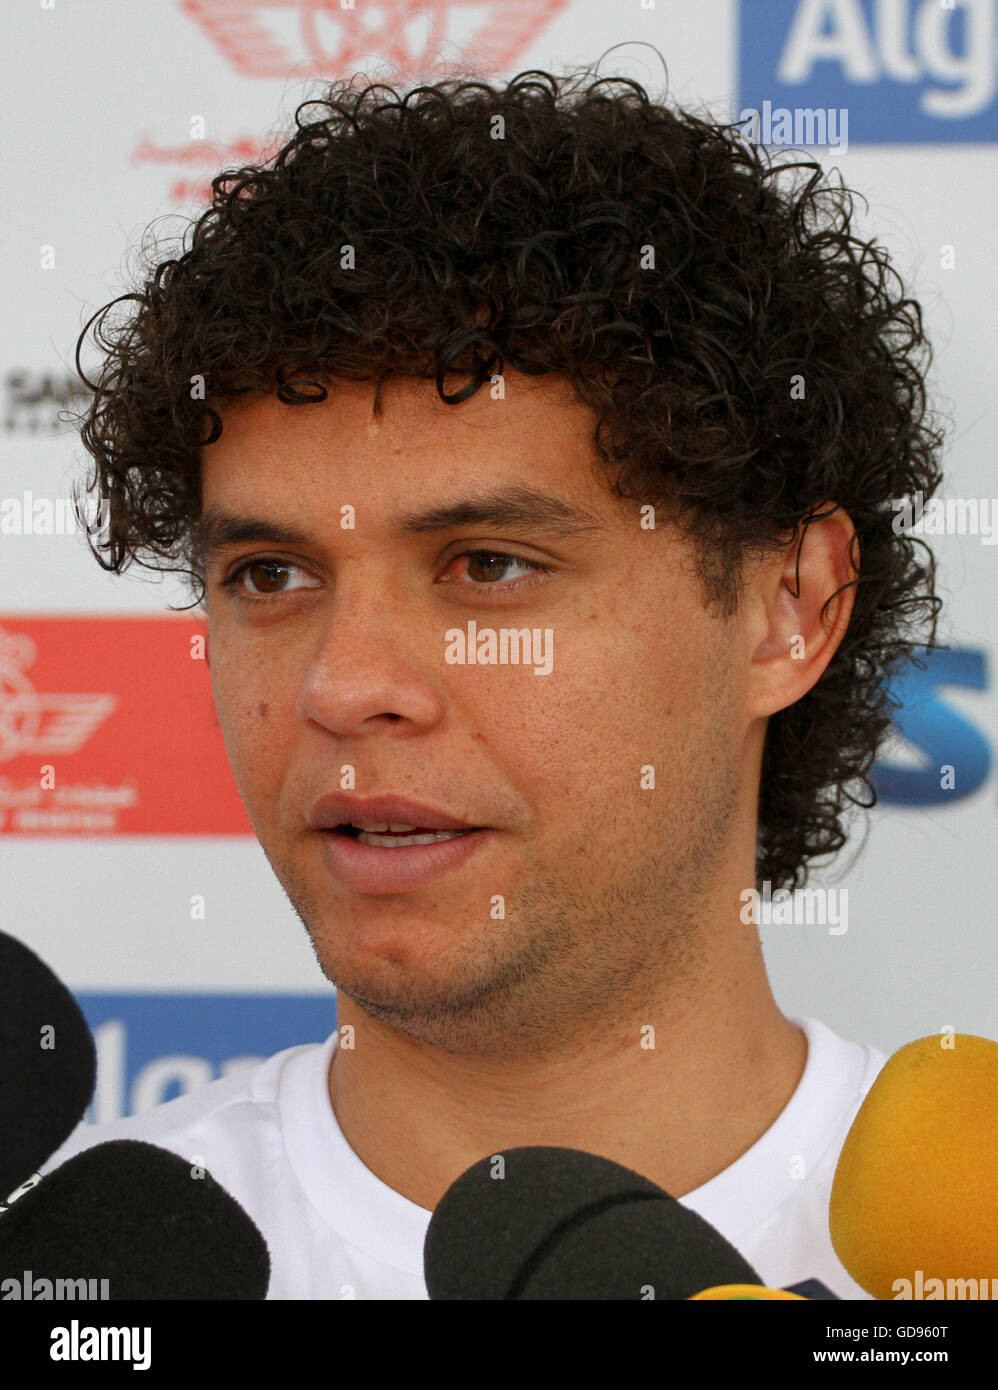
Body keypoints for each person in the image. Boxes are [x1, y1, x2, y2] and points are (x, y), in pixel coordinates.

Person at [48, 66, 943, 1298]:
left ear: (788, 607)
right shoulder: (76, 1280)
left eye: (487, 565)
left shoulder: (963, 1253)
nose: (343, 686)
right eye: (270, 575)